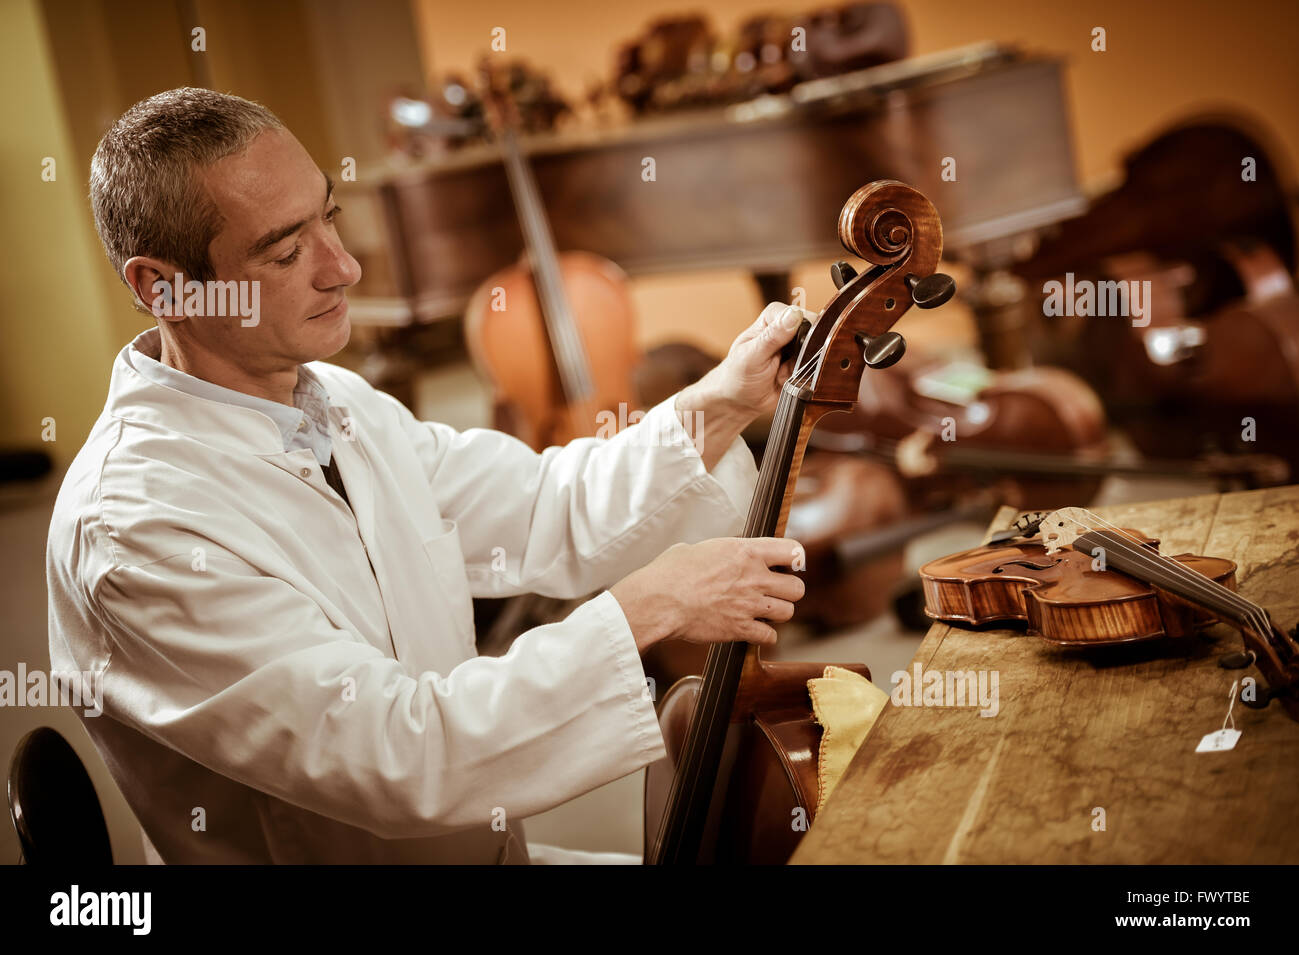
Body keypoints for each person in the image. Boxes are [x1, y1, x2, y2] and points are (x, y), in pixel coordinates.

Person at [46, 87, 811, 864]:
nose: (341, 267)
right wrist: (647, 607)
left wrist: (719, 402)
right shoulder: (135, 531)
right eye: (284, 252)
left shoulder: (333, 399)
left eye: (330, 218)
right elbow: (399, 757)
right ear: (162, 287)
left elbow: (544, 504)